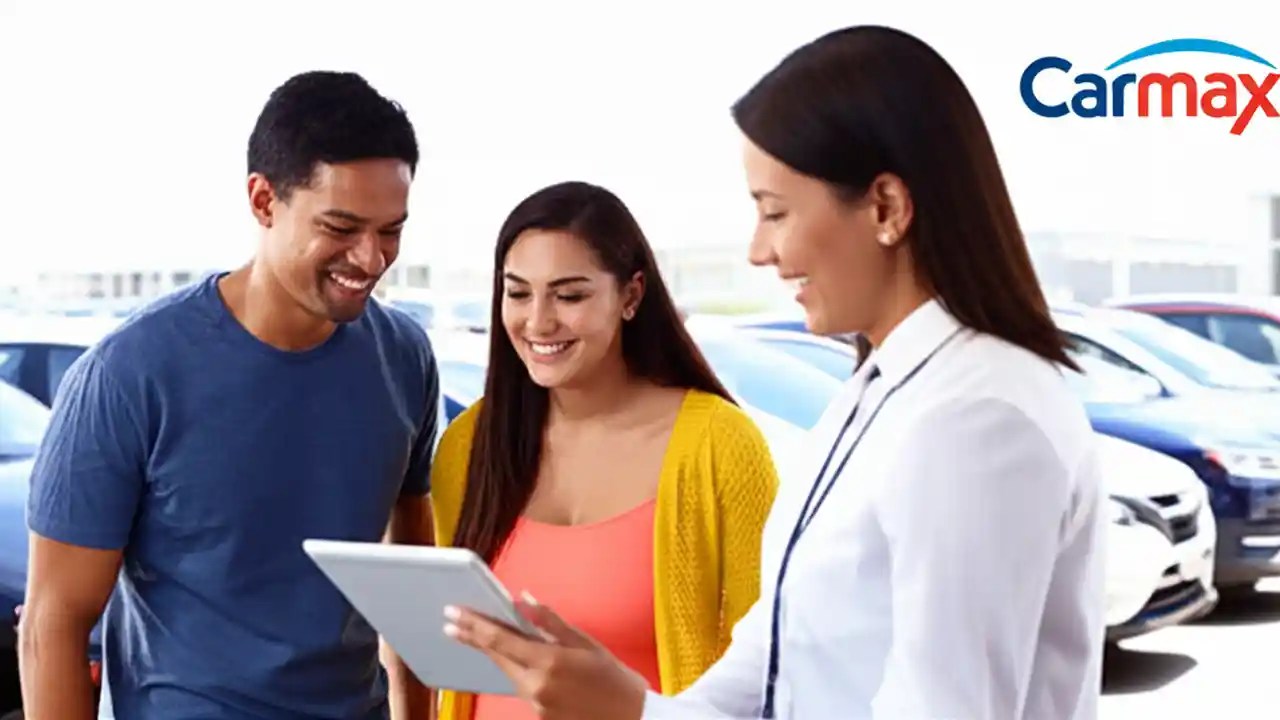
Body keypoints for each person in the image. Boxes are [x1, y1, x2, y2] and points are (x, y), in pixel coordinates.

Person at [442, 25, 1106, 720]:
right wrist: (628, 705)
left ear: (886, 208)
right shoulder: (875, 397)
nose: (760, 251)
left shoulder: (978, 420)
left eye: (775, 212)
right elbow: (770, 668)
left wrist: (630, 711)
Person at [20, 71, 437, 720]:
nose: (371, 257)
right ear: (263, 200)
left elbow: (411, 584)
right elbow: (54, 623)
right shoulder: (132, 371)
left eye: (391, 230)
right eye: (342, 226)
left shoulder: (405, 358)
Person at [428, 181, 779, 720]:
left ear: (632, 296)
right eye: (518, 292)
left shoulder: (719, 447)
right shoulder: (469, 446)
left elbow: (774, 671)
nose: (538, 321)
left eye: (569, 295)